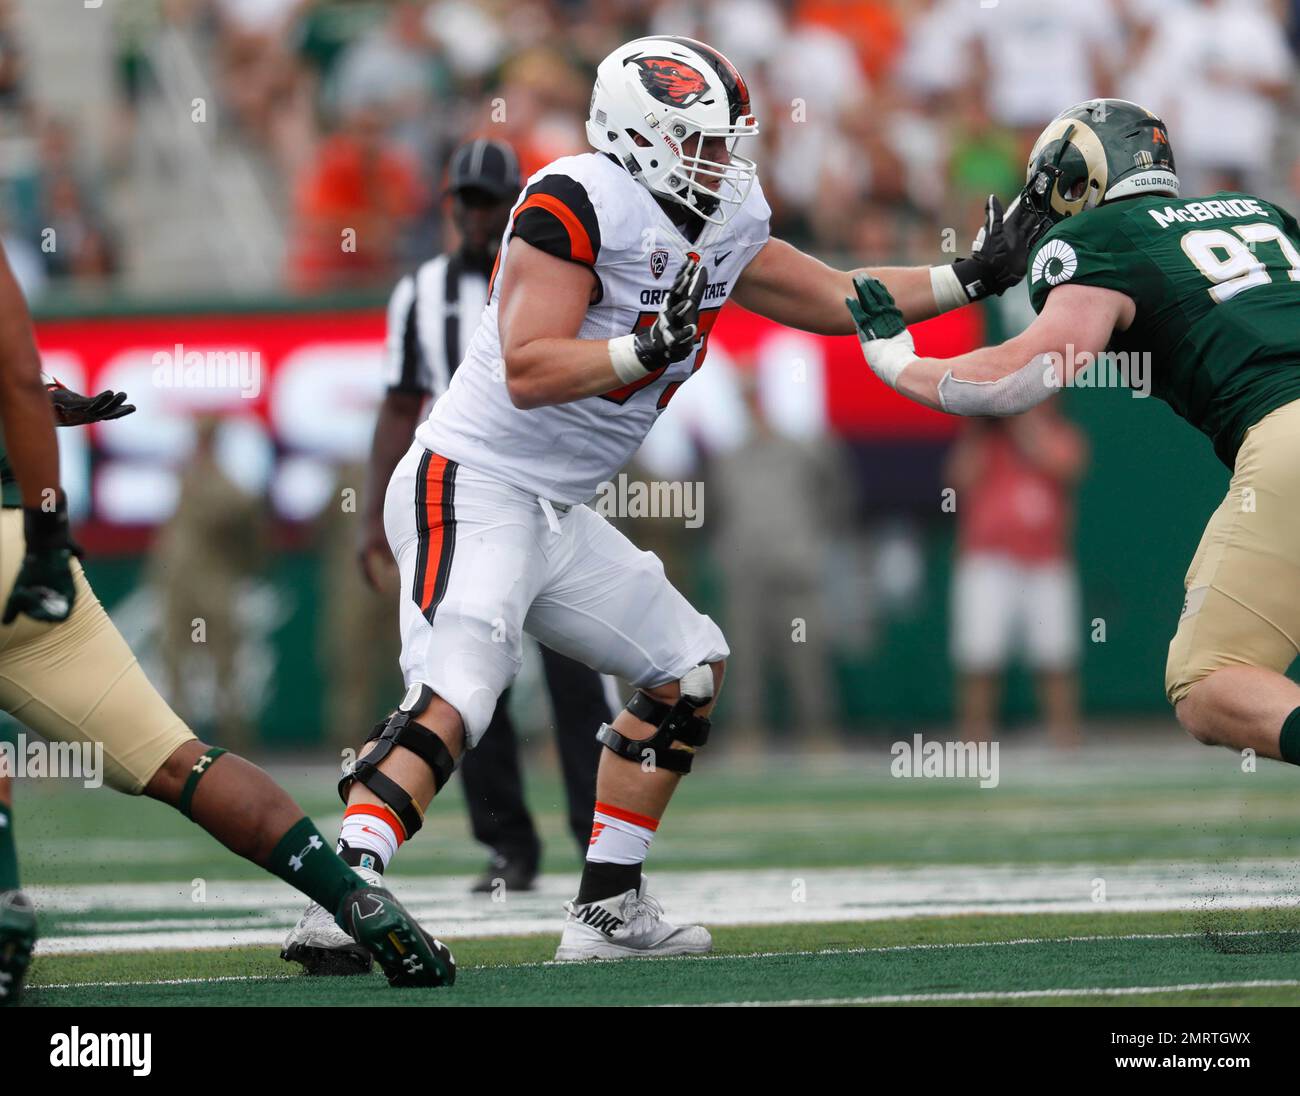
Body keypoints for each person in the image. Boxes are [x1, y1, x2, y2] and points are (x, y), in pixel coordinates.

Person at [282, 34, 1032, 966]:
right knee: (465, 683)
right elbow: (526, 367)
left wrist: (972, 277)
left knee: (685, 668)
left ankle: (607, 907)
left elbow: (837, 295)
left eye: (728, 142)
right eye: (705, 142)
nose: (726, 162)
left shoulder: (724, 214)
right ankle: (339, 890)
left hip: (557, 508)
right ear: (641, 134)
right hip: (474, 481)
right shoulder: (576, 198)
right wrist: (641, 347)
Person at [0, 245, 454, 1004]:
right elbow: (17, 381)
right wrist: (48, 533)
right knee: (185, 763)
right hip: (32, 547)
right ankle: (355, 900)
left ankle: (8, 903)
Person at [849, 97, 1300, 777]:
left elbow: (1026, 374)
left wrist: (897, 363)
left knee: (1212, 682)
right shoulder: (1258, 211)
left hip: (1284, 428)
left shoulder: (1100, 238)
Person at [351, 137, 607, 902]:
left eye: (489, 203)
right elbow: (400, 404)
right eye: (464, 202)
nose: (475, 216)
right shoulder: (421, 293)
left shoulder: (559, 270)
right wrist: (371, 521)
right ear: (448, 205)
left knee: (577, 682)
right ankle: (508, 846)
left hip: (550, 501)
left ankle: (597, 845)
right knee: (465, 682)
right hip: (465, 502)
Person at [945, 407, 1088, 747]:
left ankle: (1066, 743)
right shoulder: (981, 440)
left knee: (1055, 656)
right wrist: (982, 431)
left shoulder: (1058, 433)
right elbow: (957, 479)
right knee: (980, 656)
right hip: (988, 559)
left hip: (1045, 561)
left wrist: (1025, 425)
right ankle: (974, 742)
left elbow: (1066, 466)